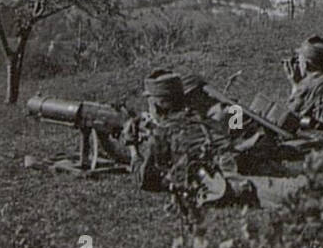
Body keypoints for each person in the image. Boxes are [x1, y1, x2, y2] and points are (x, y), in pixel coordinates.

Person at [128, 70, 308, 210]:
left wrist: (133, 149)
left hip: (223, 177)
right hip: (239, 159)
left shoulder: (163, 133)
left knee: (291, 192)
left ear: (158, 103)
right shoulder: (203, 118)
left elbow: (145, 180)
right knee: (290, 186)